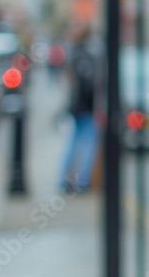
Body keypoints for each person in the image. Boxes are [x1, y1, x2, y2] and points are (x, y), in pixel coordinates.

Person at [58, 24, 102, 194]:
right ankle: (82, 181)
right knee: (87, 143)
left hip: (77, 107)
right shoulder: (85, 54)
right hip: (86, 107)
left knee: (74, 142)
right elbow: (87, 83)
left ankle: (64, 179)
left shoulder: (74, 52)